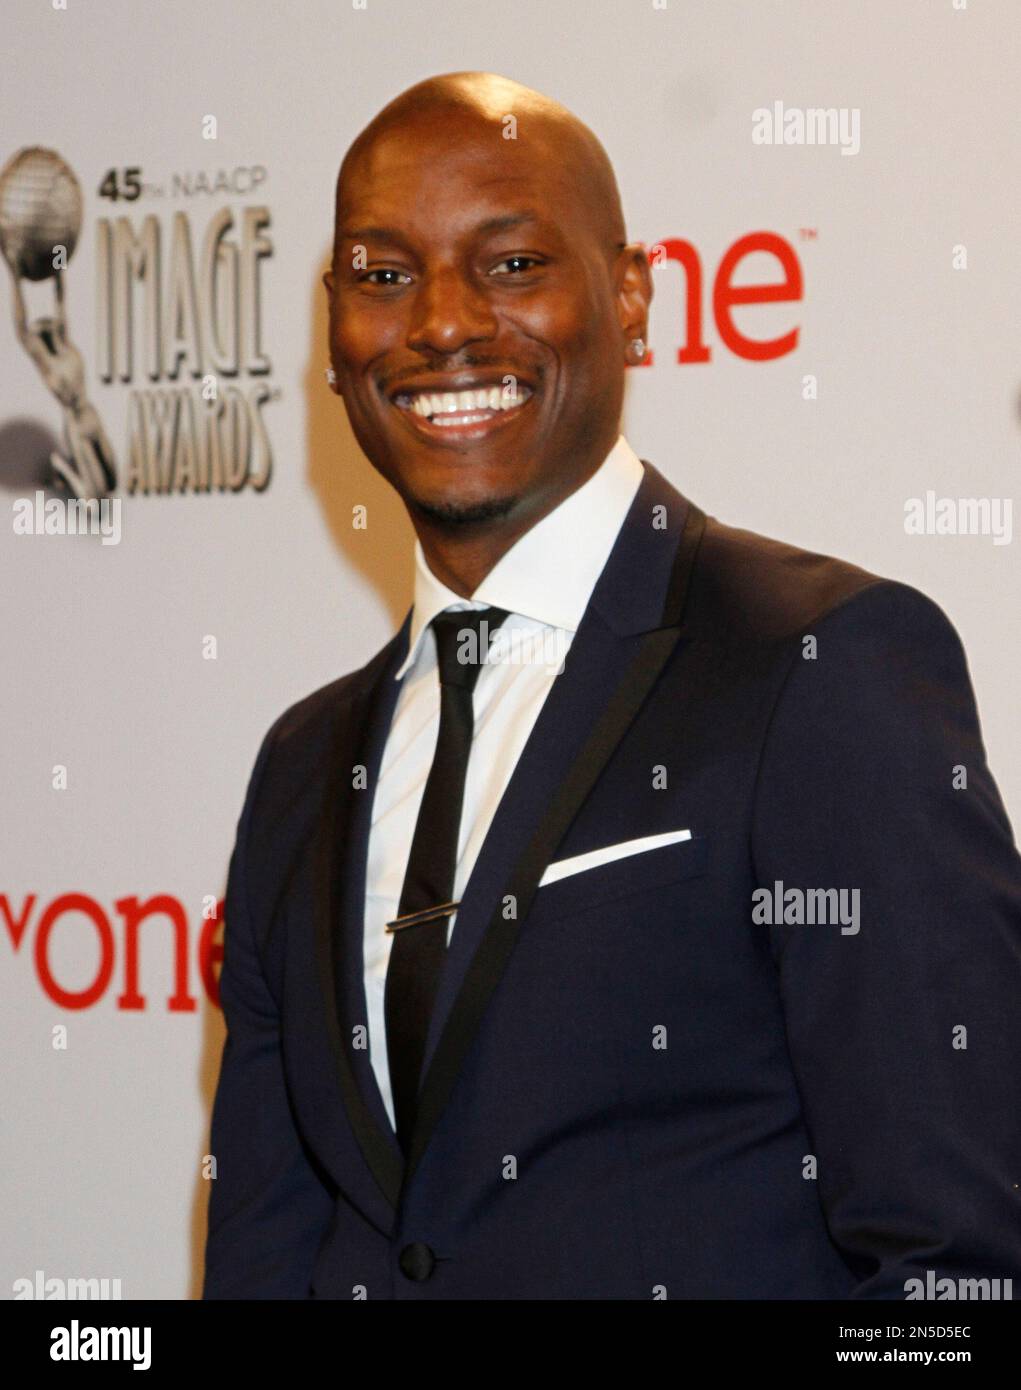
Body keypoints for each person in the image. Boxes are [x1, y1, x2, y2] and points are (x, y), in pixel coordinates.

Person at [203, 71, 1021, 1300]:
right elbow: (269, 1258)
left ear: (631, 296)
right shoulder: (305, 768)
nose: (439, 324)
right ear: (331, 327)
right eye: (382, 274)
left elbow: (956, 1271)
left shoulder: (818, 667)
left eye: (511, 263)